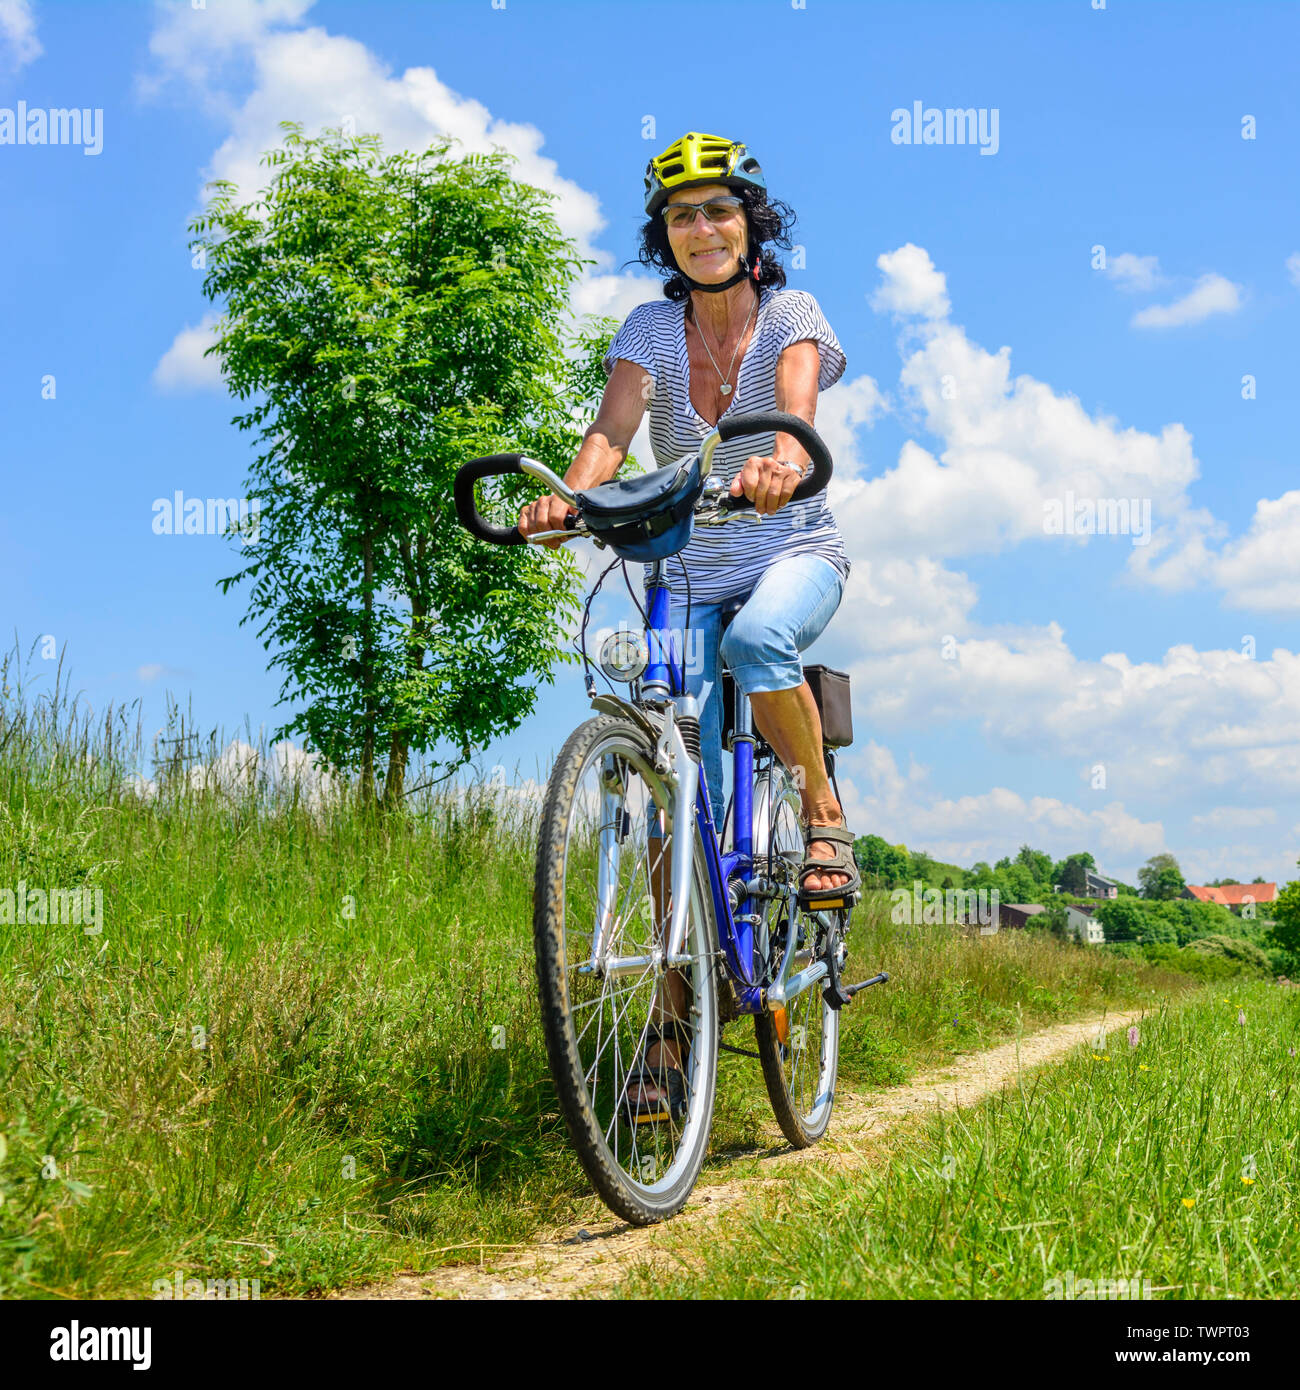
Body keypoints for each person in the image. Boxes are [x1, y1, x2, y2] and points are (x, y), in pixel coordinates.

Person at [517, 131, 860, 1118]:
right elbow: (609, 434)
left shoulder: (790, 311)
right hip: (683, 570)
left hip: (785, 554)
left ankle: (821, 813)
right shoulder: (648, 330)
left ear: (750, 222)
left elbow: (794, 409)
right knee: (676, 788)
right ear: (662, 234)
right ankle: (667, 1032)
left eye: (718, 210)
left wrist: (782, 461)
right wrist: (567, 499)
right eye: (681, 215)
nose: (700, 228)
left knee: (759, 644)